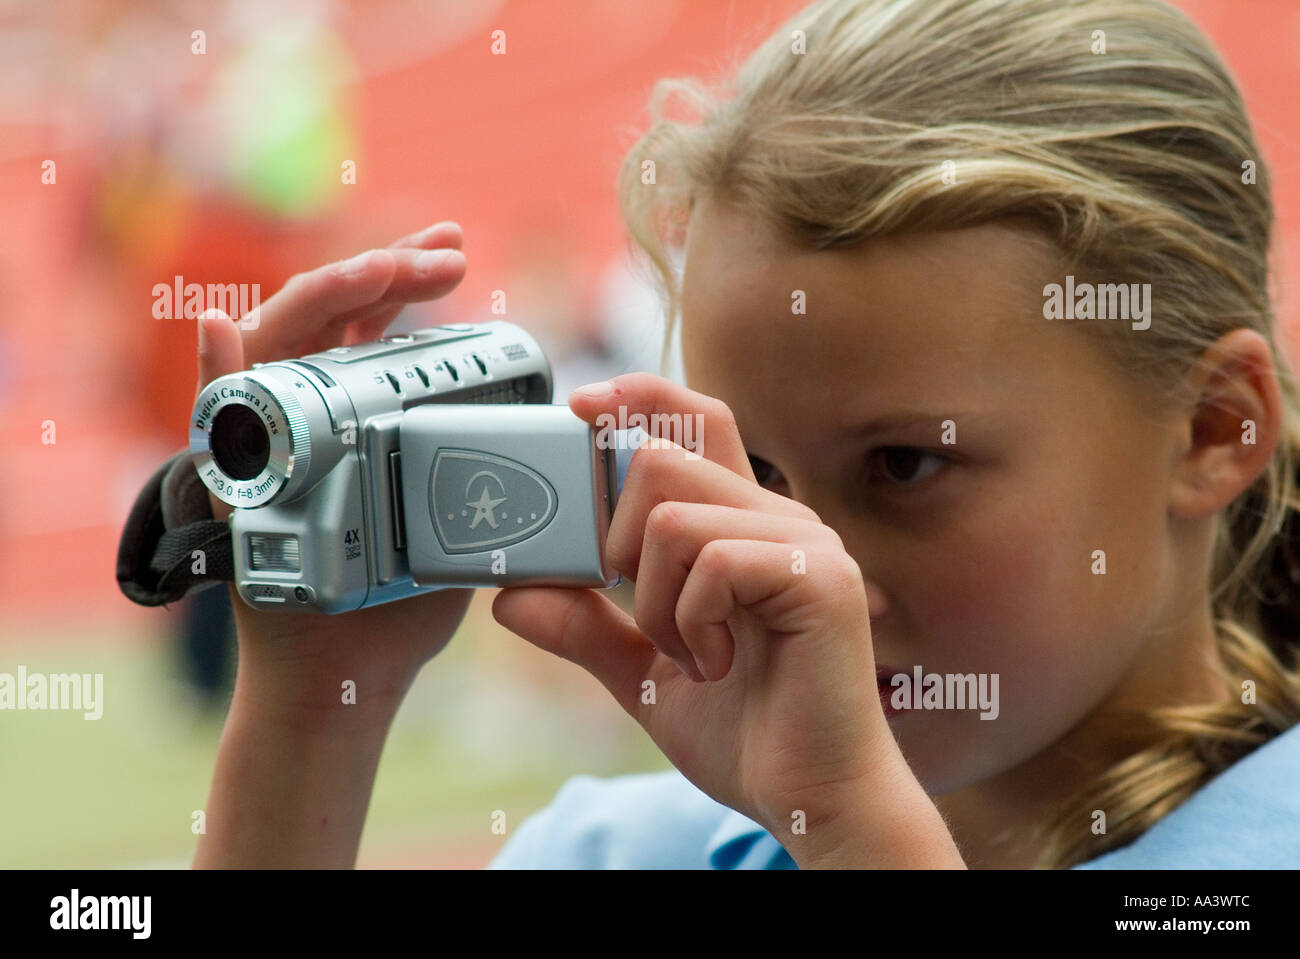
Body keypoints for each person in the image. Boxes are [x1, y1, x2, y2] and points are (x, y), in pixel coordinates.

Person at [183, 0, 1300, 868]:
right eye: (750, 467)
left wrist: (857, 829)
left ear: (1212, 428)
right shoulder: (616, 852)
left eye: (903, 465)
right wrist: (313, 719)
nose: (808, 566)